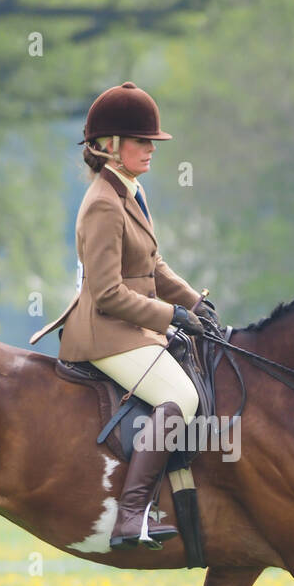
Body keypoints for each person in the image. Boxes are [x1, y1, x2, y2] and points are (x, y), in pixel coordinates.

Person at [31, 81, 217, 550]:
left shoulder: (130, 193)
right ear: (109, 147)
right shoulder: (101, 205)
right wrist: (172, 315)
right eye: (141, 141)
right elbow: (109, 293)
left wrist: (194, 302)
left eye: (152, 141)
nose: (151, 149)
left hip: (132, 327)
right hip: (105, 332)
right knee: (182, 396)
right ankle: (131, 515)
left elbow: (151, 265)